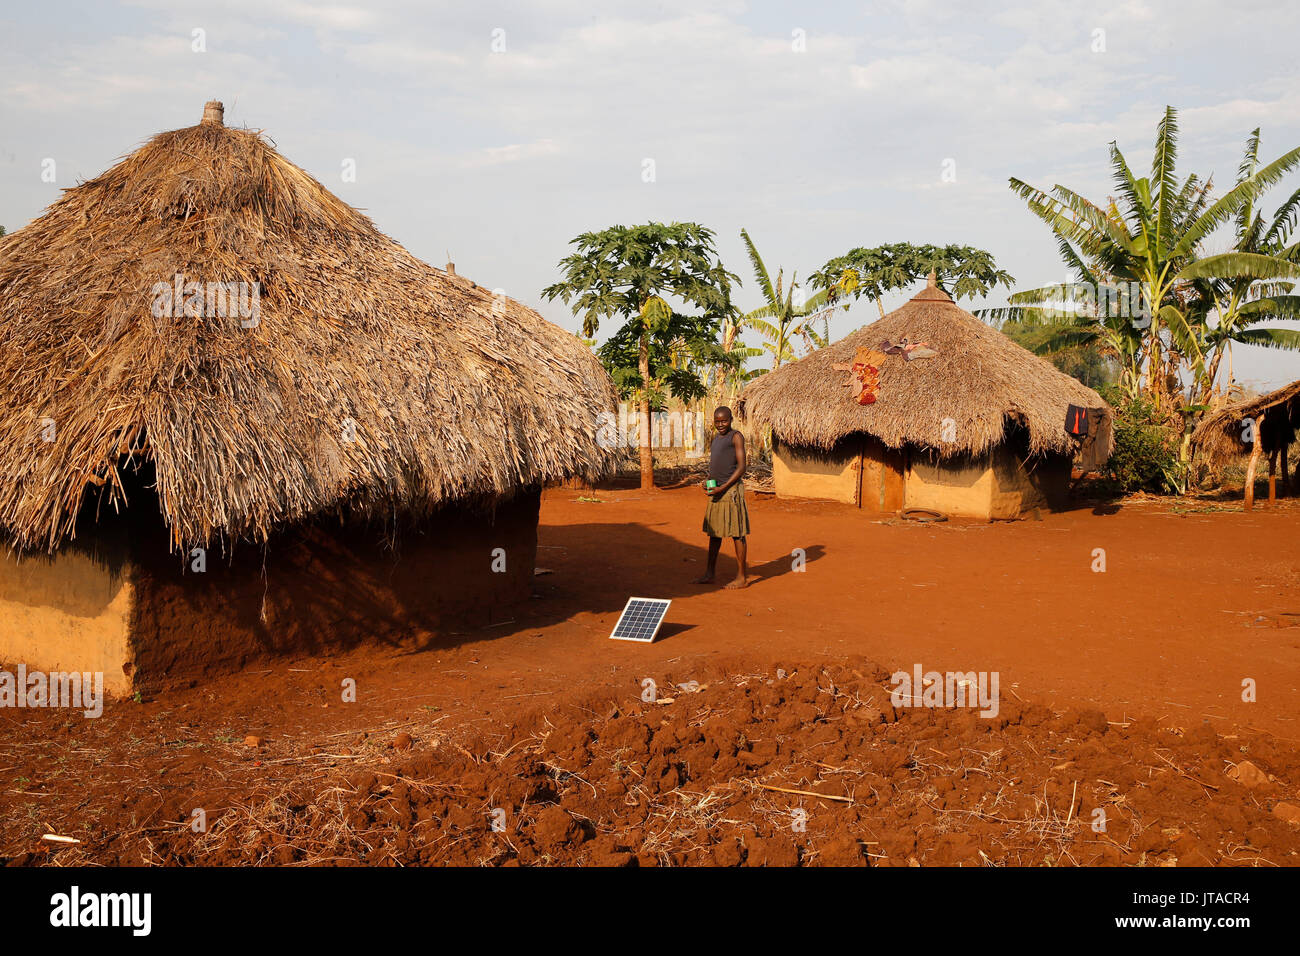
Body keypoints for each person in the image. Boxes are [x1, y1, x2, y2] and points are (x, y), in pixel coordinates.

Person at [696, 406, 749, 589]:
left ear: (731, 419)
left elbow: (741, 467)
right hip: (717, 490)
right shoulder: (716, 439)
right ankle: (710, 573)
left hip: (731, 491)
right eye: (717, 421)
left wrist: (724, 487)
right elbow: (716, 466)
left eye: (724, 421)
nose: (720, 425)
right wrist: (708, 481)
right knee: (714, 533)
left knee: (737, 533)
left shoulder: (736, 436)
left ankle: (741, 577)